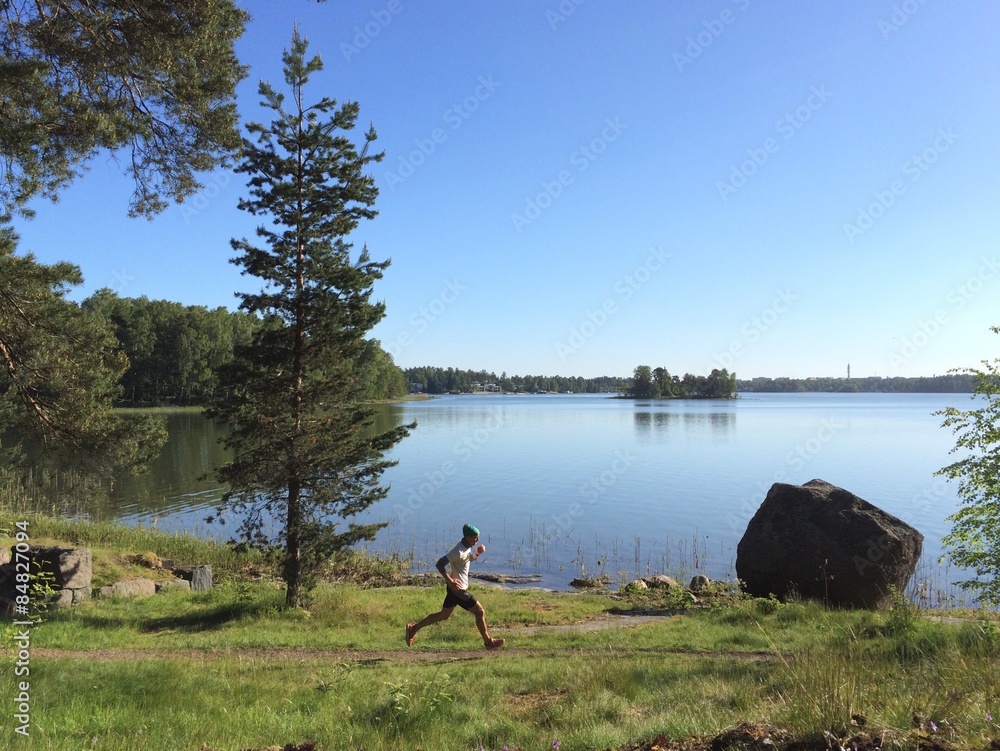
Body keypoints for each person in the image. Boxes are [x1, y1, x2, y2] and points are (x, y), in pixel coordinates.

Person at [406, 523, 505, 650]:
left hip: (454, 590)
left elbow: (467, 559)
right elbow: (439, 564)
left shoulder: (467, 546)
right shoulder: (457, 551)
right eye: (475, 537)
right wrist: (450, 580)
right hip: (459, 591)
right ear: (468, 537)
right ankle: (488, 642)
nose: (477, 539)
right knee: (480, 612)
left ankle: (413, 628)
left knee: (443, 615)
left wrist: (477, 553)